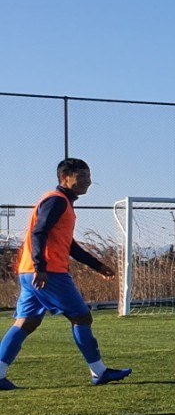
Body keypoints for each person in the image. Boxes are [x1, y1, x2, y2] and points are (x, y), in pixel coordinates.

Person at [0, 158, 131, 391]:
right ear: (64, 178)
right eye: (82, 177)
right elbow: (38, 232)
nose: (88, 182)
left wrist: (97, 265)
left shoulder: (63, 203)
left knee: (27, 322)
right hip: (47, 272)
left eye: (89, 177)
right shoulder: (56, 201)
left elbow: (68, 244)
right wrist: (41, 267)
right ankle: (99, 372)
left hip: (31, 271)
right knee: (81, 316)